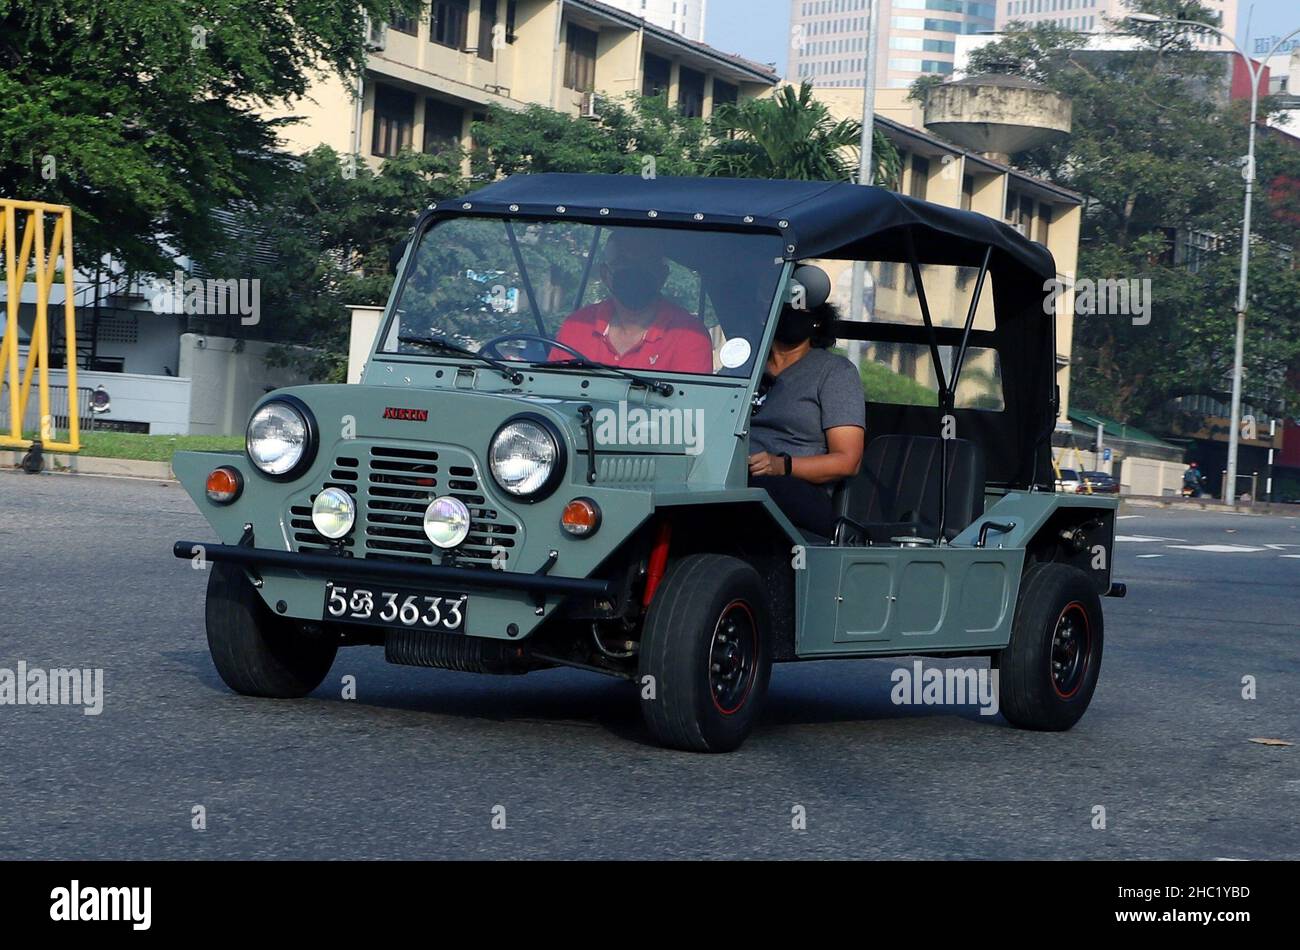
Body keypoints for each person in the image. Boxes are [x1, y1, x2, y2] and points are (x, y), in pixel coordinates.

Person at [748, 299, 866, 538]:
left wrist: (782, 465)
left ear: (817, 320)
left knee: (747, 494)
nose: (791, 314)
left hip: (798, 488)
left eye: (801, 309)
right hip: (735, 474)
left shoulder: (834, 372)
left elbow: (848, 460)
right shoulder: (747, 368)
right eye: (784, 306)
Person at [552, 231, 712, 374]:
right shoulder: (578, 326)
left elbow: (690, 406)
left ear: (663, 275)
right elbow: (551, 392)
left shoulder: (689, 334)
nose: (634, 271)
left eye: (646, 262)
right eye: (623, 262)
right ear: (605, 274)